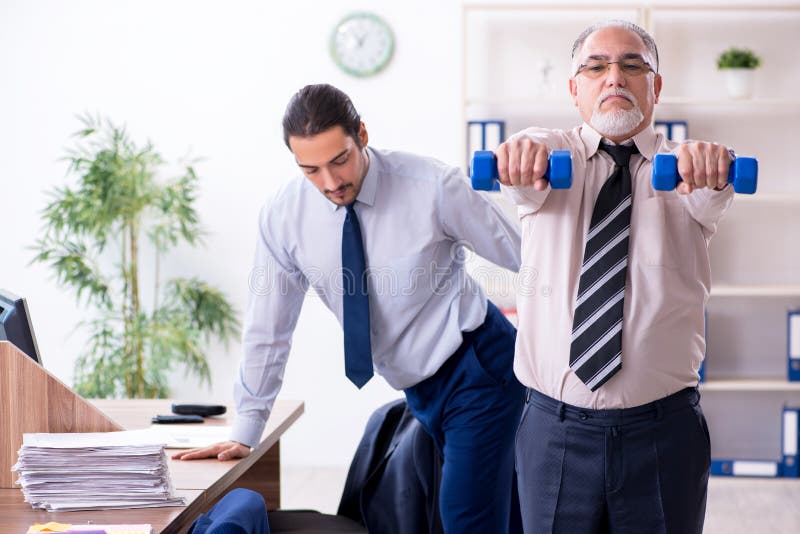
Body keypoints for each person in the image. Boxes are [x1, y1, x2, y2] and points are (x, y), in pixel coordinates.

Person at [174, 83, 525, 533]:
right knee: (487, 508)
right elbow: (268, 328)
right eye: (310, 169)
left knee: (466, 517)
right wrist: (246, 429)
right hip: (419, 387)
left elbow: (528, 253)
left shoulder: (432, 186)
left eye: (339, 160)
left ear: (361, 134)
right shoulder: (285, 217)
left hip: (479, 364)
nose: (330, 182)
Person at [498, 20, 734, 533]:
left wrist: (714, 163)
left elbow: (712, 188)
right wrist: (522, 147)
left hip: (663, 433)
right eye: (596, 67)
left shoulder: (687, 169)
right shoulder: (545, 164)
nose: (614, 77)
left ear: (656, 86)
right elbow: (524, 165)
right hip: (554, 432)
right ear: (573, 89)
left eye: (632, 65)